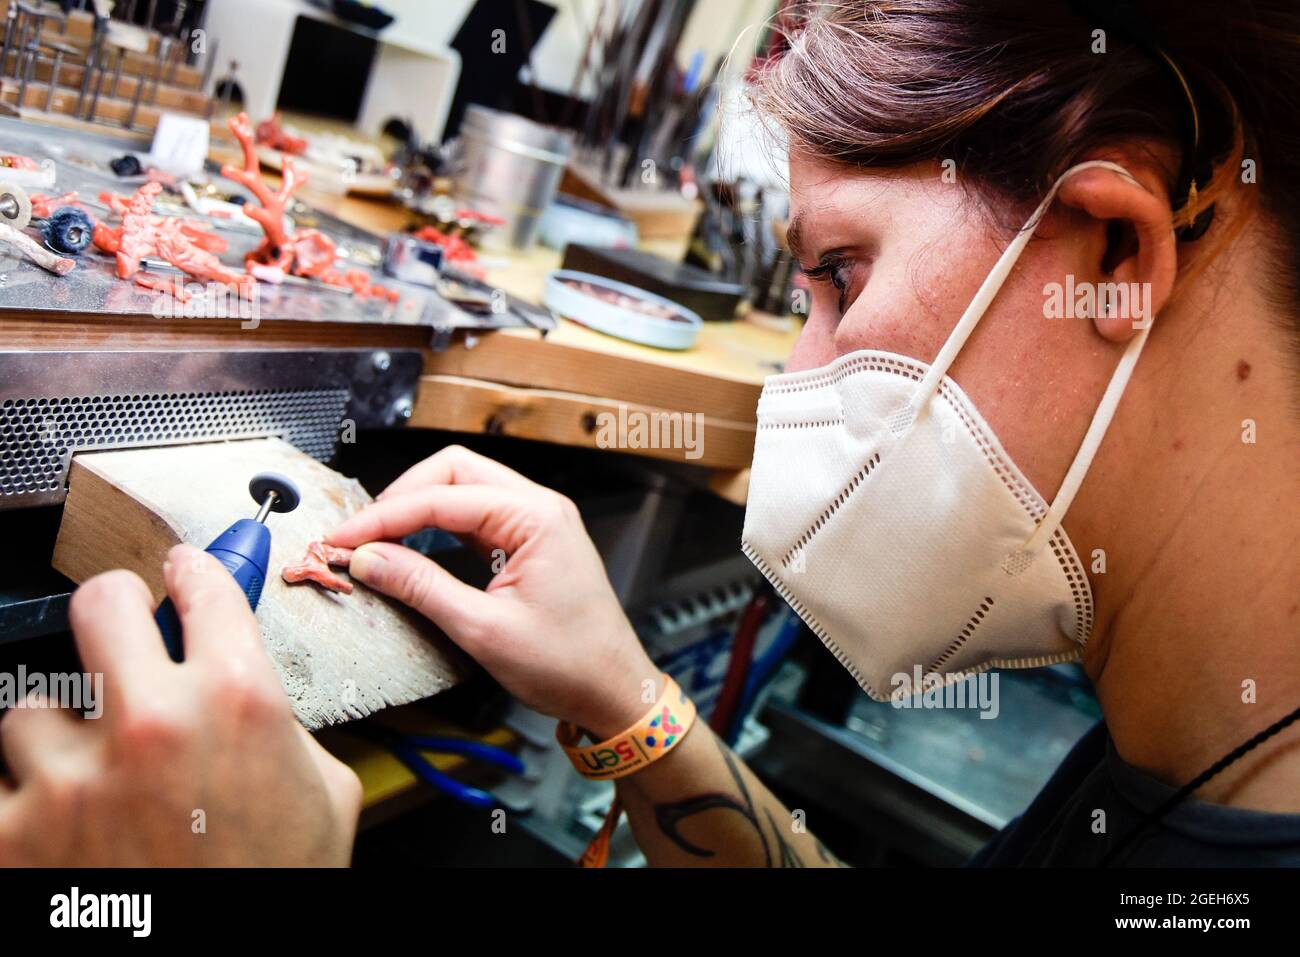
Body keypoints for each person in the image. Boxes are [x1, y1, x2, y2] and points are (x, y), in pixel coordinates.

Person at [2, 0, 1298, 867]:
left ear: (1116, 254)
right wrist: (627, 702)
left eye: (841, 274)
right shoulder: (1195, 761)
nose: (792, 380)